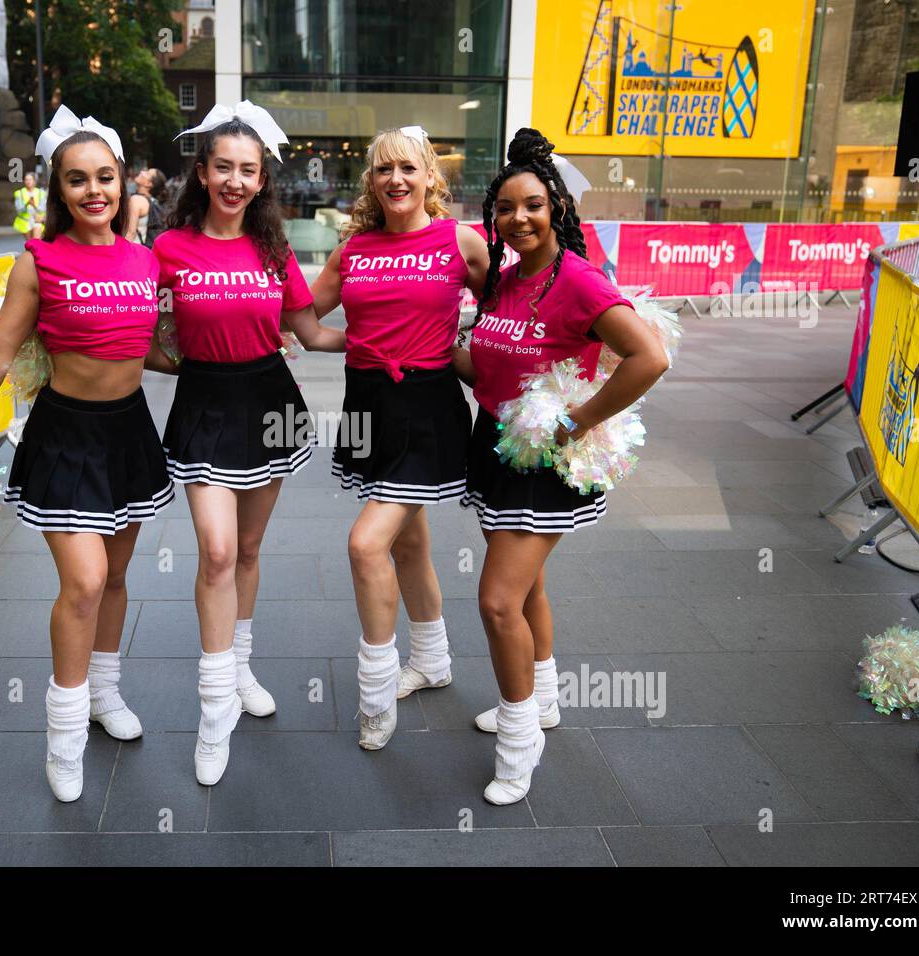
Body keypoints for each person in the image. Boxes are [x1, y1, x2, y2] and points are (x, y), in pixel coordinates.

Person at [0, 106, 175, 803]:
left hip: (130, 433)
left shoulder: (144, 259)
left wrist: (221, 359)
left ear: (123, 181)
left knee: (117, 576)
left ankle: (105, 694)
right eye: (78, 180)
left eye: (105, 177)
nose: (94, 191)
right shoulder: (37, 263)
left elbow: (150, 350)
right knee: (85, 583)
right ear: (58, 188)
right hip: (65, 435)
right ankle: (63, 734)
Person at [452, 129, 668, 805]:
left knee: (495, 602)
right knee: (528, 590)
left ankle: (519, 744)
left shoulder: (578, 279)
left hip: (542, 464)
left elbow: (650, 357)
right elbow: (485, 366)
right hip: (494, 448)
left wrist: (579, 420)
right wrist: (424, 350)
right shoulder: (507, 280)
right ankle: (540, 699)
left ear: (558, 212)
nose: (519, 219)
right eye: (508, 208)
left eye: (534, 206)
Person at [155, 102, 344, 785]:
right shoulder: (169, 249)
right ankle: (214, 712)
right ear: (201, 173)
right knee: (217, 550)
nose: (235, 180)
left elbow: (312, 332)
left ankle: (239, 666)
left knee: (252, 550)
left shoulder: (273, 250)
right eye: (223, 168)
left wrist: (395, 336)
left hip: (269, 400)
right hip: (205, 403)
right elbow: (143, 331)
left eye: (249, 170)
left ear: (262, 180)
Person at [307, 126, 489, 751]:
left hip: (427, 407)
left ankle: (376, 690)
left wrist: (463, 349)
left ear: (431, 178)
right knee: (408, 543)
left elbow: (508, 316)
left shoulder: (462, 241)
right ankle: (434, 661)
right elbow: (304, 322)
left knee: (366, 544)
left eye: (408, 168)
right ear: (372, 182)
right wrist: (357, 343)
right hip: (368, 407)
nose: (396, 180)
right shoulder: (354, 248)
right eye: (384, 170)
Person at [124, 166, 167, 246]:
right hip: (144, 251)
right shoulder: (152, 201)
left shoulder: (136, 200)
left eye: (147, 173)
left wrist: (120, 254)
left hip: (133, 250)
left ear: (149, 184)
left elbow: (130, 233)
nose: (141, 172)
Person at [13, 171, 47, 240]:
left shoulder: (41, 193)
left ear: (34, 181)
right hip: (25, 222)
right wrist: (27, 204)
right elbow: (19, 210)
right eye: (26, 180)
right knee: (29, 243)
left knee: (36, 242)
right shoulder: (20, 193)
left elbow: (44, 209)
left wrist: (34, 205)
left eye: (30, 179)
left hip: (37, 221)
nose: (28, 181)